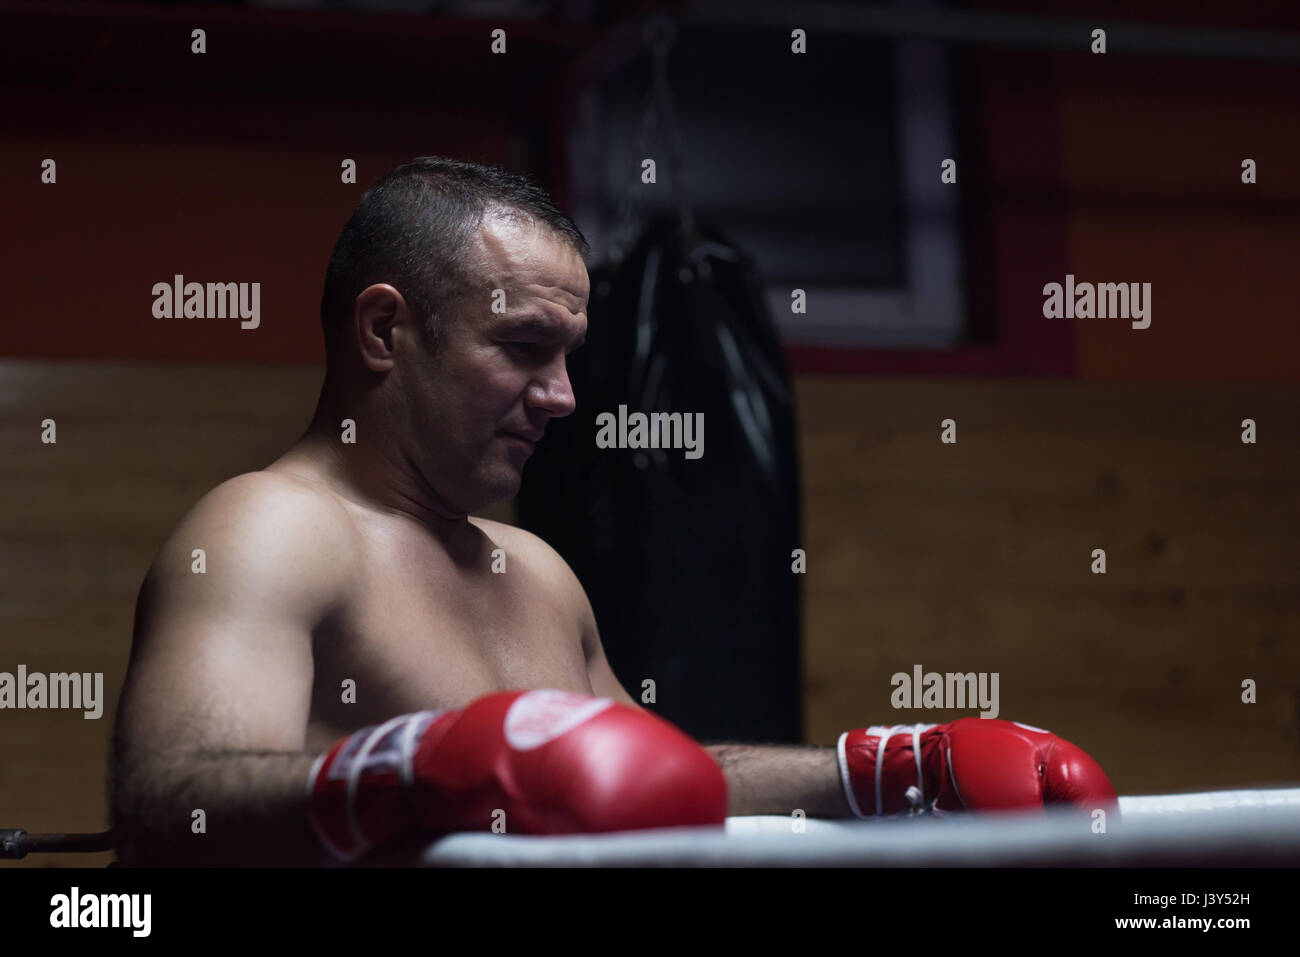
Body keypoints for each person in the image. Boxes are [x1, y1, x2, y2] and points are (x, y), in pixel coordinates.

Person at [110, 157, 1115, 866]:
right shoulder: (273, 528)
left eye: (569, 356)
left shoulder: (533, 569)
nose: (562, 396)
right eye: (521, 346)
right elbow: (167, 807)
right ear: (385, 329)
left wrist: (884, 768)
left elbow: (663, 781)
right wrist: (417, 766)